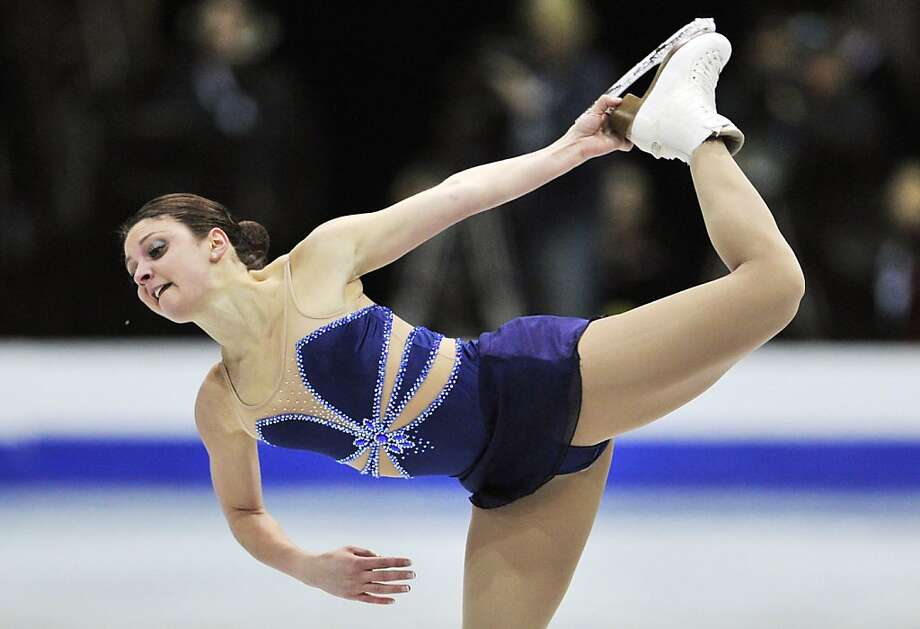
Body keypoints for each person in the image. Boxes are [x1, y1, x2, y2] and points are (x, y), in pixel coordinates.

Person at [120, 31, 804, 628]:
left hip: (534, 381)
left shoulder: (317, 263)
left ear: (214, 243)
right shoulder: (220, 404)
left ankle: (693, 130)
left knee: (774, 286)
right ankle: (682, 126)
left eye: (155, 250)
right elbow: (245, 514)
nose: (145, 274)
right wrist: (305, 565)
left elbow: (453, 199)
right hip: (507, 479)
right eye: (134, 272)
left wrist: (566, 150)